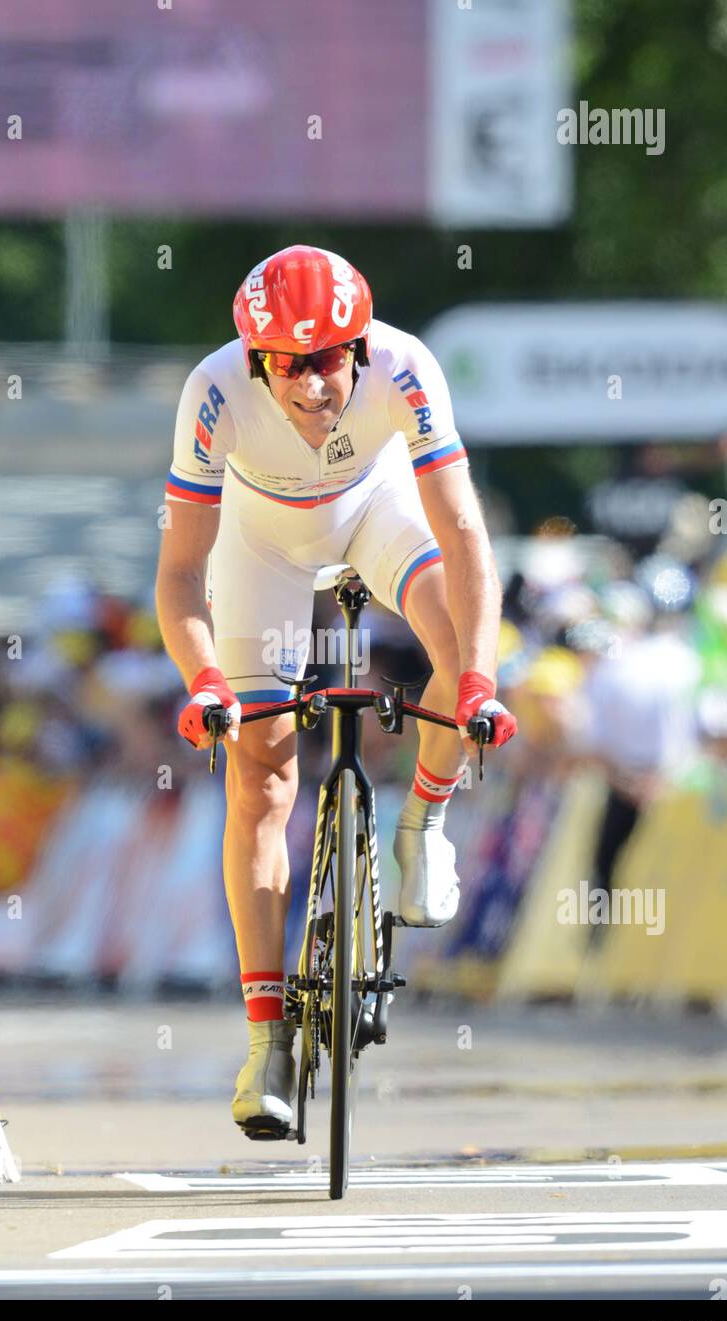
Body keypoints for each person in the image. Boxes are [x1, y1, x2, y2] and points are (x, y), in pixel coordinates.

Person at [156, 245, 517, 1137]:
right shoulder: (212, 392)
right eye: (287, 363)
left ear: (358, 348)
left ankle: (422, 819)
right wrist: (204, 684)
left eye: (326, 360)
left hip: (374, 514)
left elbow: (465, 533)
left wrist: (476, 681)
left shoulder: (404, 364)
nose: (311, 384)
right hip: (261, 546)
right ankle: (266, 1038)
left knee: (456, 637)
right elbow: (178, 574)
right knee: (261, 777)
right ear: (254, 359)